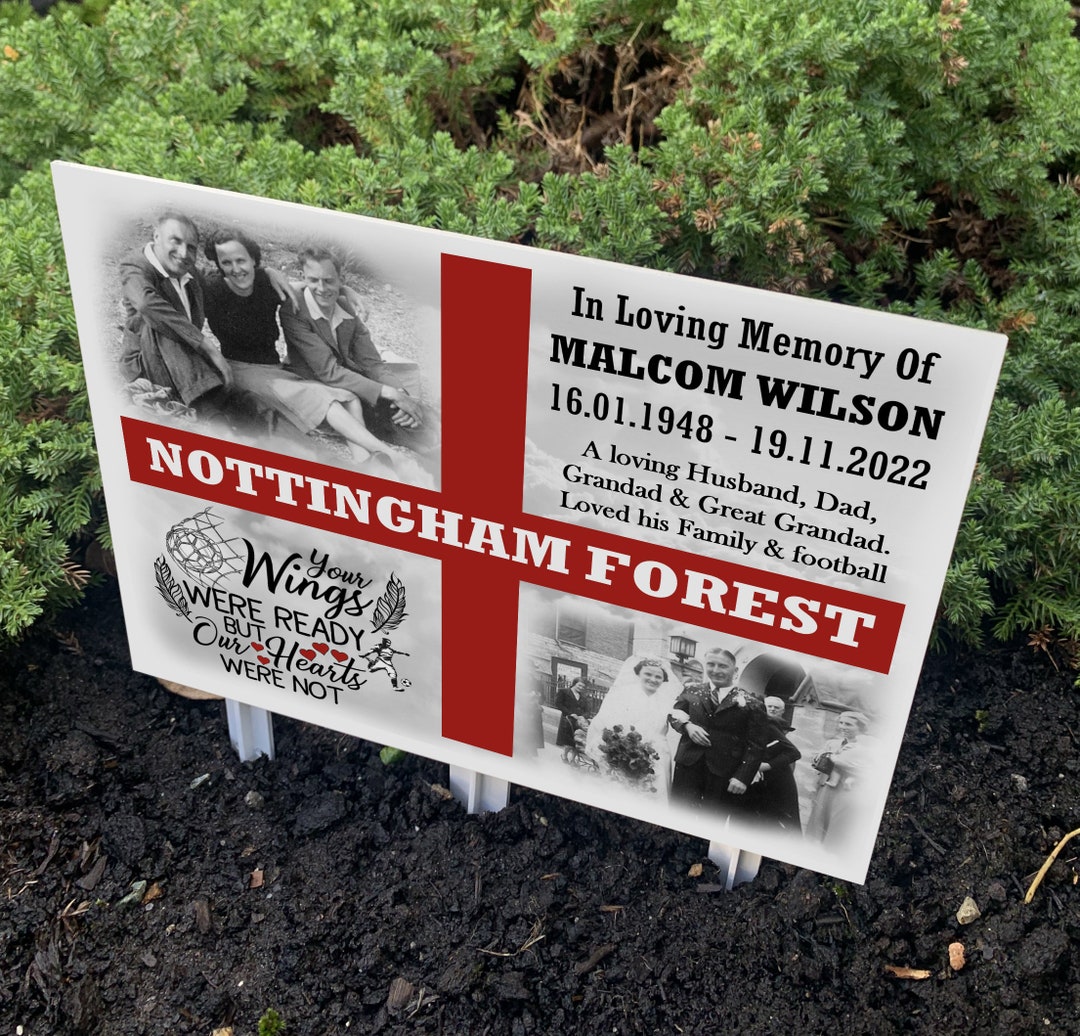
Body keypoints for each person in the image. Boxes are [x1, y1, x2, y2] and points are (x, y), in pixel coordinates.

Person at [202, 229, 403, 473]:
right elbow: (187, 295)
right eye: (227, 263)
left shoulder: (267, 283)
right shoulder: (213, 289)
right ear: (218, 265)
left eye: (241, 260)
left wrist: (346, 290)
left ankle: (363, 465)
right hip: (241, 369)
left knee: (349, 399)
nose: (236, 269)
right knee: (322, 398)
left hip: (275, 369)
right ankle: (392, 456)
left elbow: (311, 286)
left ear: (253, 259)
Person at [279, 247, 438, 460]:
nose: (321, 288)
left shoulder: (346, 306)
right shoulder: (293, 310)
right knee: (398, 422)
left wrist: (400, 392)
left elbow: (373, 362)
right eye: (314, 280)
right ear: (303, 277)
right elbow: (328, 371)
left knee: (418, 412)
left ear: (340, 279)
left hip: (352, 379)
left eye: (328, 280)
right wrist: (390, 394)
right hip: (320, 385)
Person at [119, 211, 232, 416]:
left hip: (183, 365)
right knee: (158, 321)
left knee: (246, 401)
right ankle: (208, 409)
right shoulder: (135, 266)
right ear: (156, 237)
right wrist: (206, 346)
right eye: (176, 241)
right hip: (146, 362)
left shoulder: (188, 271)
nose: (183, 253)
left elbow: (215, 280)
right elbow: (145, 303)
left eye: (191, 247)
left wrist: (267, 274)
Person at [668, 646, 770, 816]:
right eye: (711, 665)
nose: (715, 670)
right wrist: (687, 726)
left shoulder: (752, 703)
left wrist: (742, 777)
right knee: (679, 817)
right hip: (688, 767)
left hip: (723, 773)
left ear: (735, 670)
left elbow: (757, 745)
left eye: (722, 666)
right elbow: (674, 715)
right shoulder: (692, 691)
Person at [584, 657, 680, 795]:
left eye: (658, 676)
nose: (653, 679)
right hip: (626, 752)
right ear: (638, 674)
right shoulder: (623, 695)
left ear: (663, 680)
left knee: (652, 794)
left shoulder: (667, 703)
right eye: (648, 674)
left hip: (657, 758)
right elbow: (606, 722)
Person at [806, 710, 871, 844]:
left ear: (860, 727)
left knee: (837, 823)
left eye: (848, 724)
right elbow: (819, 758)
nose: (843, 727)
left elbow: (868, 770)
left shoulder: (865, 748)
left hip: (846, 790)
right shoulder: (832, 743)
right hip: (826, 786)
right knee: (819, 818)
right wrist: (817, 758)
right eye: (841, 723)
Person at [745, 696, 803, 834]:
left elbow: (792, 752)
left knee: (779, 816)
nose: (771, 709)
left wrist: (767, 765)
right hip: (757, 773)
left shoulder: (773, 725)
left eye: (776, 707)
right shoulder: (755, 722)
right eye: (769, 706)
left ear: (782, 711)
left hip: (776, 773)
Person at [555, 677, 588, 752]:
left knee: (577, 741)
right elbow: (558, 704)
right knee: (568, 742)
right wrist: (570, 713)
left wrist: (583, 716)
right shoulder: (564, 692)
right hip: (567, 720)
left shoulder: (583, 697)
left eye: (583, 687)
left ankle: (573, 759)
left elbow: (586, 710)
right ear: (574, 684)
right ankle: (564, 755)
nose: (581, 688)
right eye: (579, 685)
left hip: (578, 722)